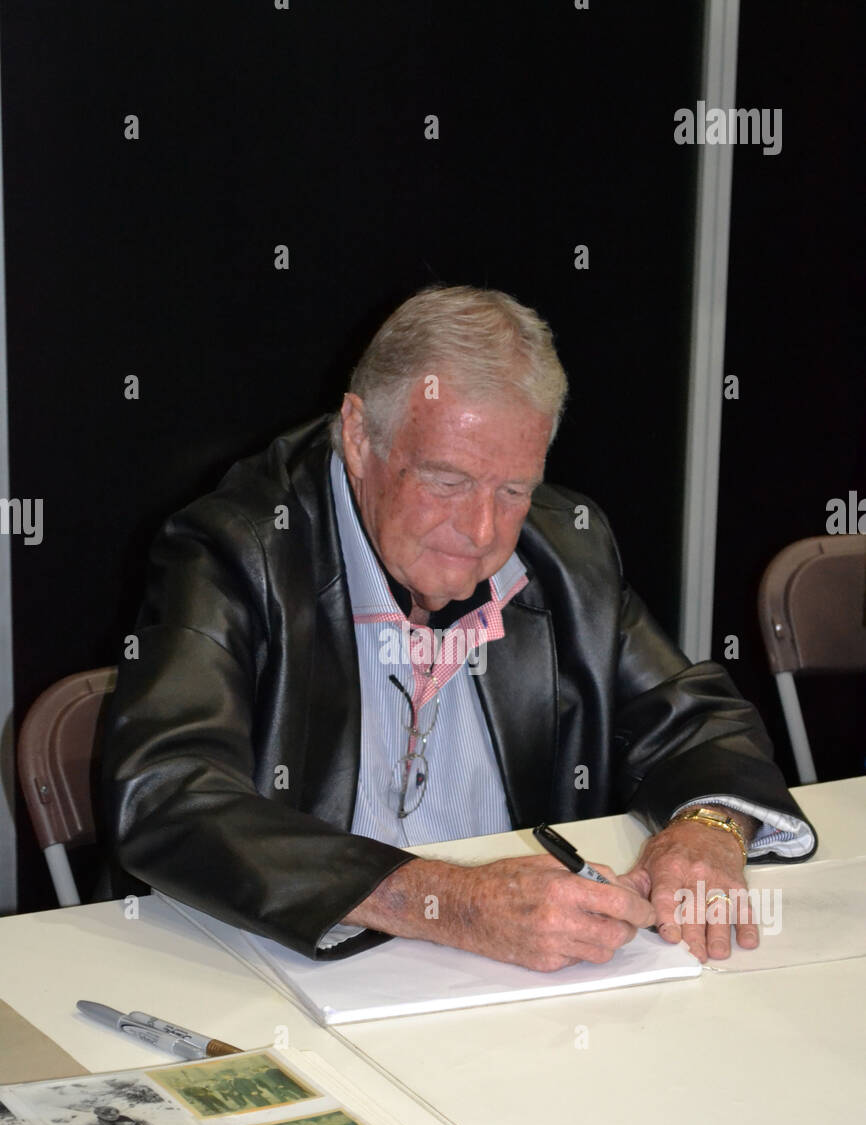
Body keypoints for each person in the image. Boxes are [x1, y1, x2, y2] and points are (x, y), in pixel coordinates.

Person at [102, 285, 816, 971]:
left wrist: (710, 828)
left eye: (513, 490)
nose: (481, 531)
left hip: (513, 989)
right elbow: (168, 793)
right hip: (296, 975)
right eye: (445, 481)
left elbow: (695, 723)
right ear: (357, 435)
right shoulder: (236, 551)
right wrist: (452, 902)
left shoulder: (564, 553)